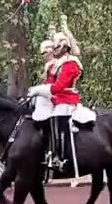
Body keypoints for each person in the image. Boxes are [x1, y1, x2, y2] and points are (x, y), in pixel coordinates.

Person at [28, 17, 81, 172]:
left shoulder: (70, 64)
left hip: (67, 99)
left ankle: (60, 156)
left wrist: (40, 90)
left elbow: (59, 86)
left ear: (63, 48)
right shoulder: (59, 64)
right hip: (58, 98)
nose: (53, 51)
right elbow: (51, 83)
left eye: (56, 47)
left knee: (56, 119)